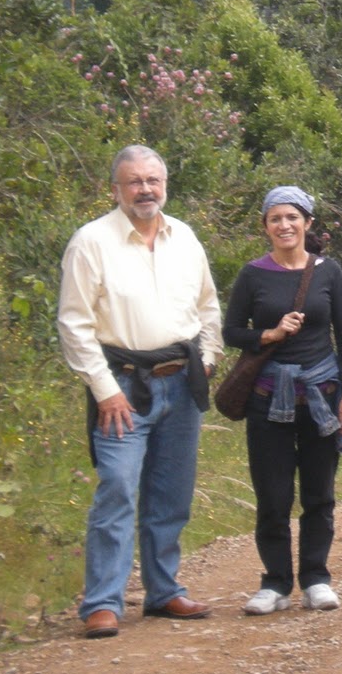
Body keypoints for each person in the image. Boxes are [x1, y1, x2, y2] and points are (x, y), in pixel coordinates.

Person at [57, 145, 223, 639]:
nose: (145, 190)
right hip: (123, 386)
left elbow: (208, 306)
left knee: (171, 494)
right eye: (134, 182)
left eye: (153, 180)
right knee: (116, 489)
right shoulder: (91, 242)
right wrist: (105, 391)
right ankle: (103, 601)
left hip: (181, 379)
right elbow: (73, 323)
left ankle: (163, 590)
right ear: (116, 189)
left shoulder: (185, 238)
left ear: (165, 184)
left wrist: (208, 358)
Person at [223, 186, 342, 615]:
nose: (284, 225)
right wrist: (270, 334)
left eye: (292, 218)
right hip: (267, 399)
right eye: (275, 219)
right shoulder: (252, 275)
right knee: (273, 494)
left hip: (322, 397)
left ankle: (317, 579)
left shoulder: (328, 272)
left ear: (307, 224)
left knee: (319, 493)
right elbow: (231, 333)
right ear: (265, 226)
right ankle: (276, 583)